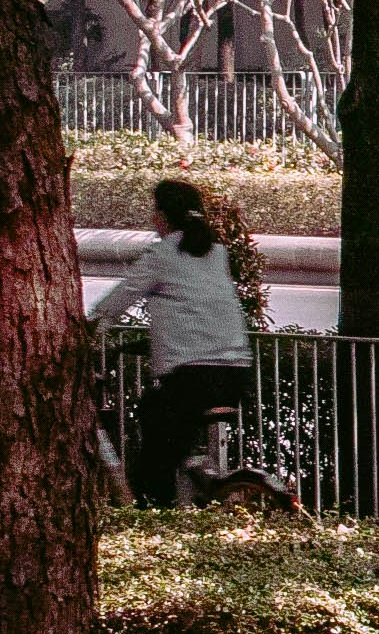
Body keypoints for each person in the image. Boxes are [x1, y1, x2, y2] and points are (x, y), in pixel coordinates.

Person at [90, 178, 256, 506]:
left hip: (191, 377)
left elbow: (120, 298)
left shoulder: (162, 255)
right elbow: (200, 314)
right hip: (235, 374)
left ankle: (159, 513)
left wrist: (89, 326)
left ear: (163, 217)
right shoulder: (216, 253)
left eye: (155, 211)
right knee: (169, 431)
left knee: (152, 450)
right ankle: (199, 477)